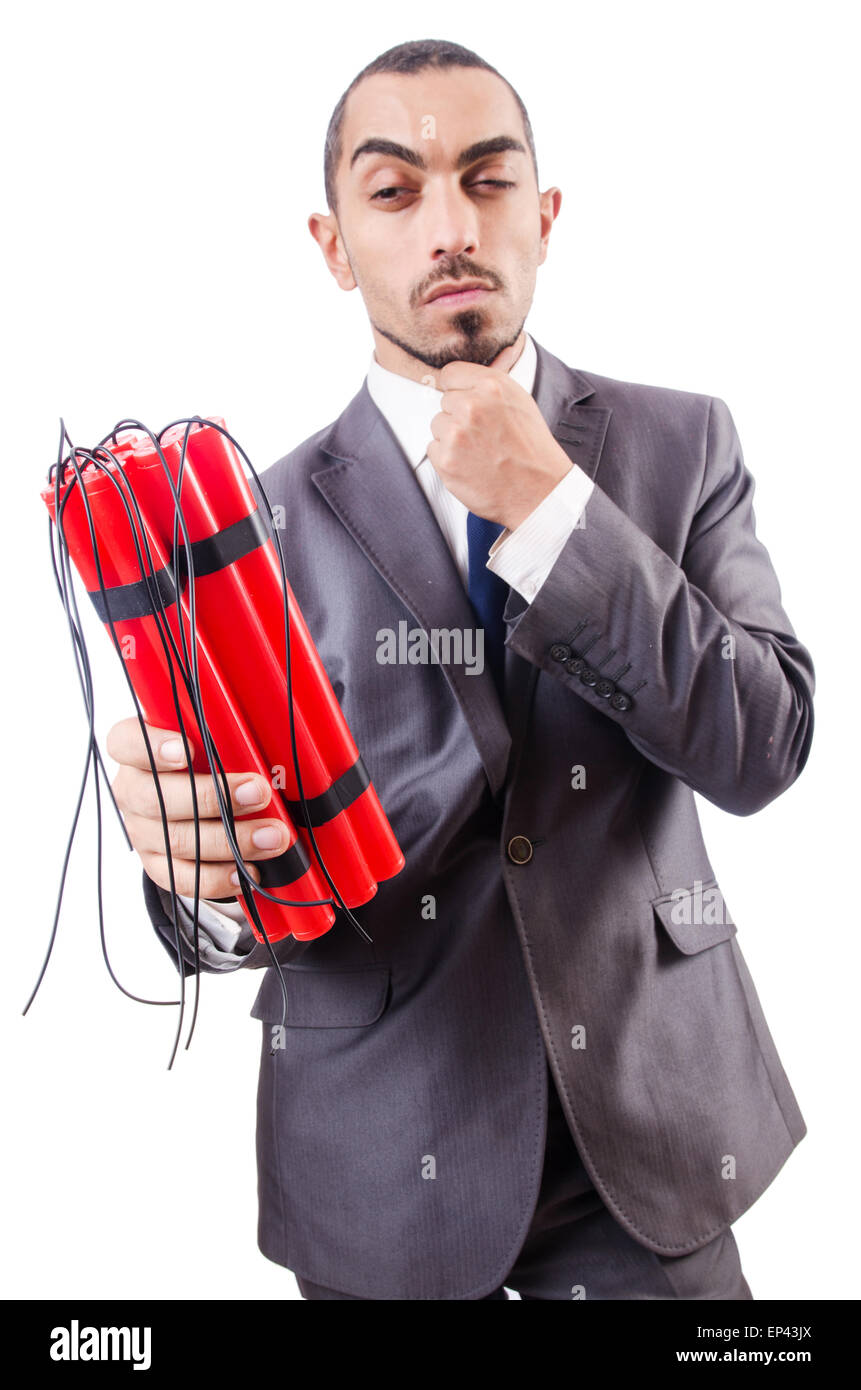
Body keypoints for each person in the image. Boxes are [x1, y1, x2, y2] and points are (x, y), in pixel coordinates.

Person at [107, 38, 815, 1300]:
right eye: (395, 192)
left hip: (648, 1158)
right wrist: (191, 868)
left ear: (543, 217)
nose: (450, 227)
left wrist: (556, 516)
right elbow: (240, 895)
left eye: (488, 181)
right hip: (379, 1164)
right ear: (333, 246)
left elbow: (763, 745)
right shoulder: (245, 528)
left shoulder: (681, 442)